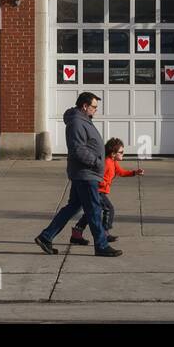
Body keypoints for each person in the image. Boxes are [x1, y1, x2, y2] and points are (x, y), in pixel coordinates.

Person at [34, 92, 123, 257]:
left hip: (85, 173)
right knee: (94, 210)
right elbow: (78, 149)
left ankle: (46, 237)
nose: (96, 110)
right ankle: (101, 246)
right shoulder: (76, 123)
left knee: (73, 207)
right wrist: (97, 163)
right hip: (85, 174)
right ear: (85, 106)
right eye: (94, 107)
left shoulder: (83, 121)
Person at [70, 137, 142, 245]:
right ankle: (105, 232)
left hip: (100, 191)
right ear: (113, 153)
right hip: (96, 190)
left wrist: (134, 173)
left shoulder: (113, 162)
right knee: (108, 208)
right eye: (121, 152)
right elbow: (96, 175)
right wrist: (101, 183)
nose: (123, 154)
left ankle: (77, 233)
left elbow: (121, 172)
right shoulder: (106, 163)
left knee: (92, 212)